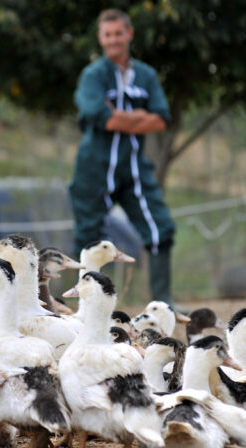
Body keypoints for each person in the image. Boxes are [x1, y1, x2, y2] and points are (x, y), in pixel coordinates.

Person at [69, 9, 176, 305]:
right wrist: (139, 115)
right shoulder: (93, 75)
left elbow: (160, 120)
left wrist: (120, 114)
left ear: (129, 34)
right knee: (88, 238)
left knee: (160, 229)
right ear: (101, 38)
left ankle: (163, 303)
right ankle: (82, 305)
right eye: (107, 35)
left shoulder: (146, 75)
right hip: (94, 168)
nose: (113, 40)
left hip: (134, 169)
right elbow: (103, 119)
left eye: (118, 33)